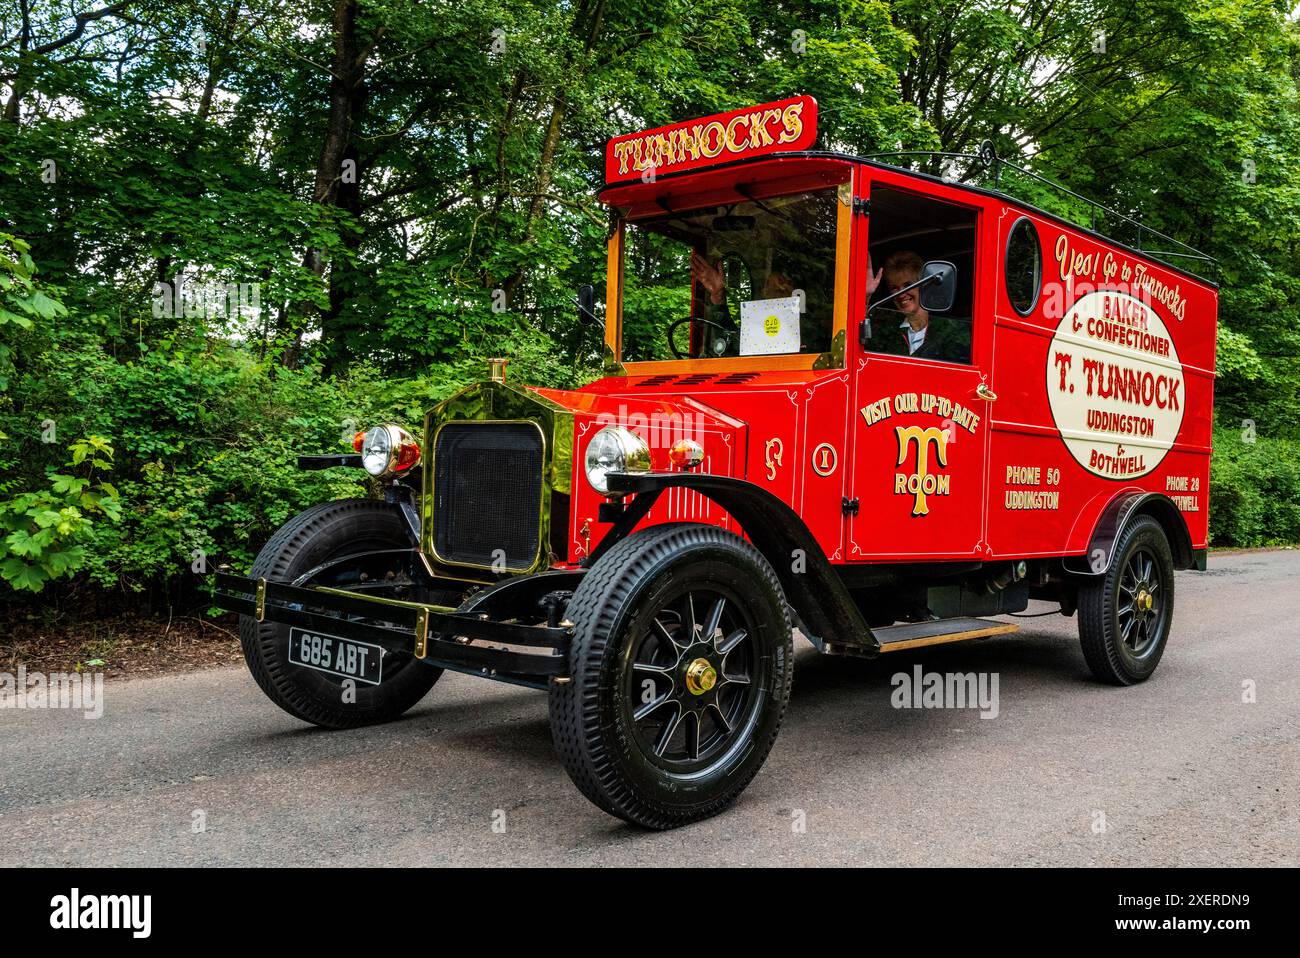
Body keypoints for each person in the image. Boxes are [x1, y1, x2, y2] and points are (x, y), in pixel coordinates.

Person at [868, 250, 968, 363]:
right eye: (894, 288)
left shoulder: (949, 331)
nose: (901, 294)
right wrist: (866, 296)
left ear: (924, 285)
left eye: (908, 285)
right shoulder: (886, 331)